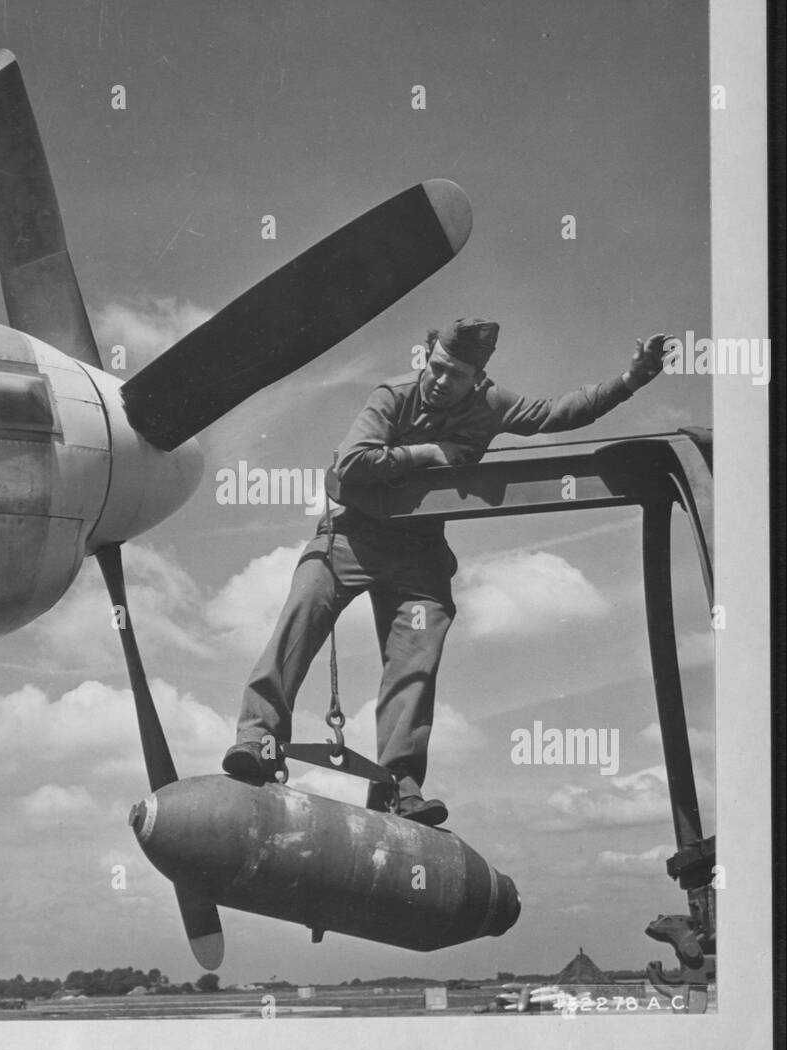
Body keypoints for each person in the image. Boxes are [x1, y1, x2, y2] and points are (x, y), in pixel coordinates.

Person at [222, 319, 669, 825]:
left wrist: (630, 381)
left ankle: (397, 786)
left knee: (418, 654)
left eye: (455, 374)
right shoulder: (391, 397)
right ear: (426, 357)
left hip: (418, 552)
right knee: (303, 611)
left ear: (477, 379)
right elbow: (350, 465)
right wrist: (430, 453)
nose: (439, 380)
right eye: (435, 367)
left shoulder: (493, 404)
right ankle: (258, 737)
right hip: (349, 537)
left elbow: (558, 413)